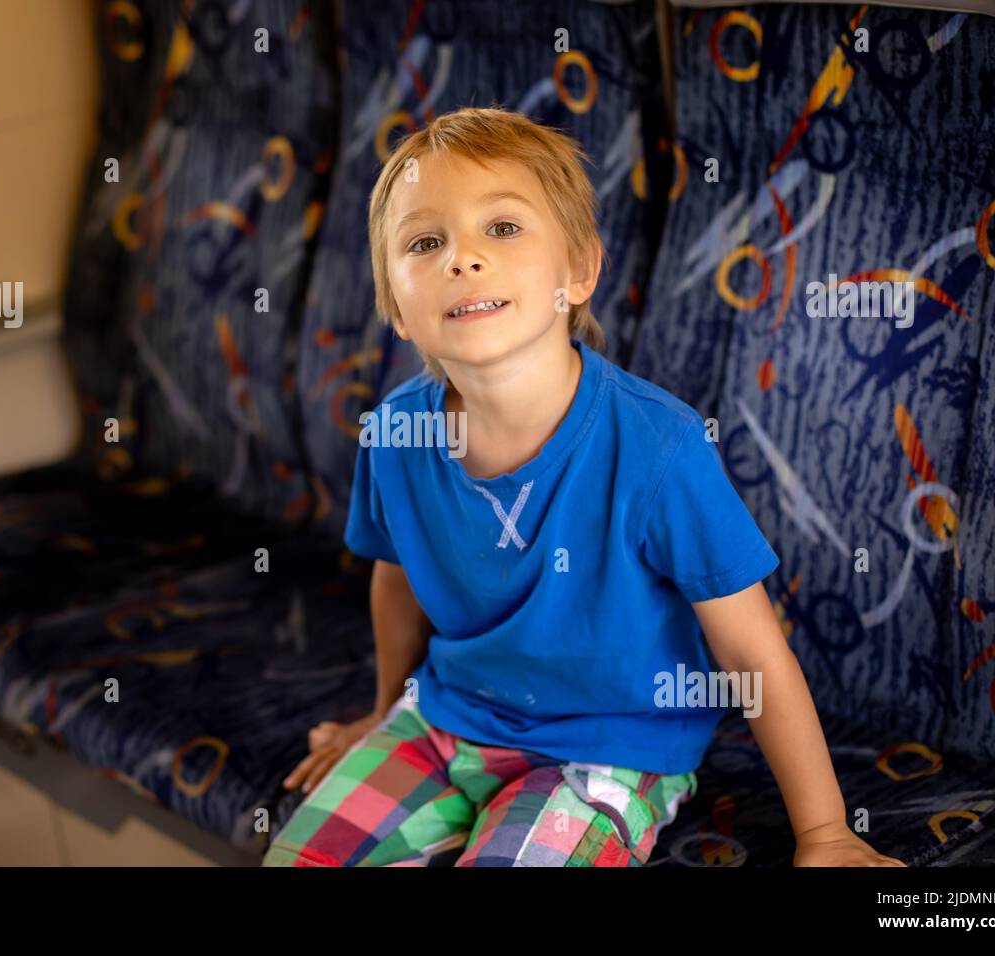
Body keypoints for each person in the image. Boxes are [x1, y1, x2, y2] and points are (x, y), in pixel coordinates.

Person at [262, 107, 905, 868]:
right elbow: (396, 578)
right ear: (397, 309)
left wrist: (825, 832)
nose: (462, 258)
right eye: (425, 242)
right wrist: (380, 712)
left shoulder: (659, 448)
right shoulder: (397, 433)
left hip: (608, 745)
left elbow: (753, 652)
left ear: (578, 272)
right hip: (446, 717)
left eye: (501, 228)